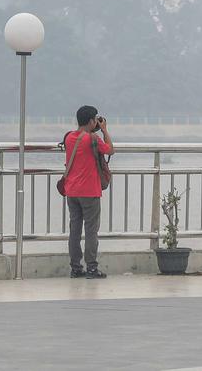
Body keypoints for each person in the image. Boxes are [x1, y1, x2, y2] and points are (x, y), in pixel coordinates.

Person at [62, 105, 115, 279]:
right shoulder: (93, 138)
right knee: (91, 230)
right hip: (89, 192)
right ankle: (92, 268)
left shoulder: (69, 137)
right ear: (92, 121)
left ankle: (76, 267)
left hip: (71, 191)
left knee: (74, 230)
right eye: (96, 120)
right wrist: (105, 130)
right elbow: (110, 149)